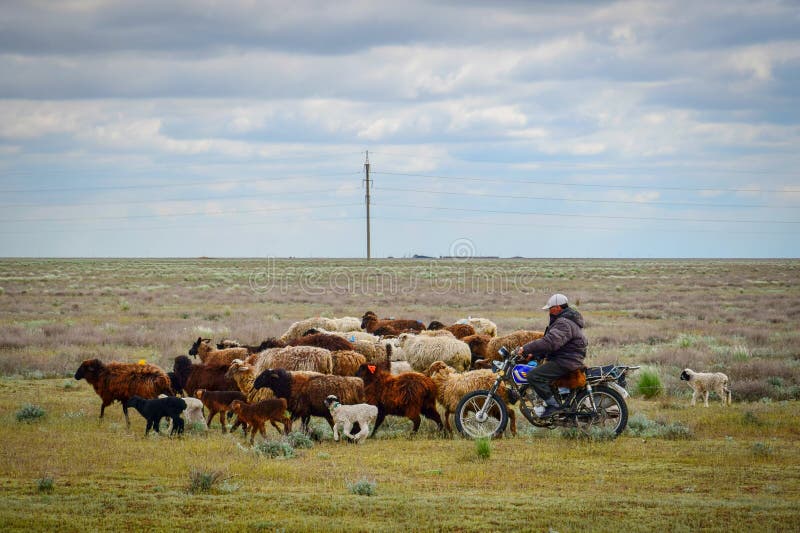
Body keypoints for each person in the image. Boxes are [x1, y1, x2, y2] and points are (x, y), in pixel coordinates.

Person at [515, 293, 587, 418]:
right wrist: (534, 354)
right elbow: (555, 345)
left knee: (533, 375)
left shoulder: (563, 323)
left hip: (566, 360)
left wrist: (525, 348)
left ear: (558, 308)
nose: (549, 311)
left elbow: (550, 342)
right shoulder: (566, 321)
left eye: (550, 308)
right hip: (566, 358)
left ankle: (553, 406)